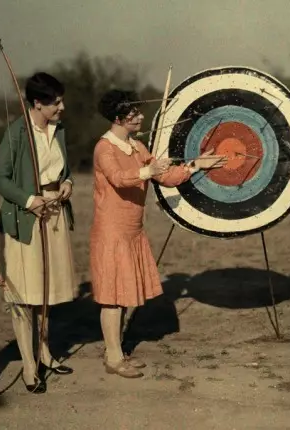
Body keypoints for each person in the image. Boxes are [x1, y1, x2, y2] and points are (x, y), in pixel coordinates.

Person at [90, 89, 226, 378]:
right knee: (112, 297)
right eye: (134, 112)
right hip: (112, 231)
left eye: (140, 111)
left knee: (123, 293)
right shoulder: (105, 148)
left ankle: (116, 351)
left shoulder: (136, 147)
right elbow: (119, 178)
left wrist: (195, 164)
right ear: (118, 116)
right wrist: (148, 170)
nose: (141, 116)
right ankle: (113, 358)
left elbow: (166, 177)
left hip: (132, 230)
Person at [0, 72, 77, 394]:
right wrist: (29, 200)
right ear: (38, 103)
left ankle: (44, 353)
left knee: (46, 291)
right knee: (25, 293)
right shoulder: (16, 132)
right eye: (56, 102)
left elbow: (64, 170)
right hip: (26, 221)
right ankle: (29, 366)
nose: (62, 107)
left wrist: (68, 184)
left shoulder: (59, 130)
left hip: (54, 217)